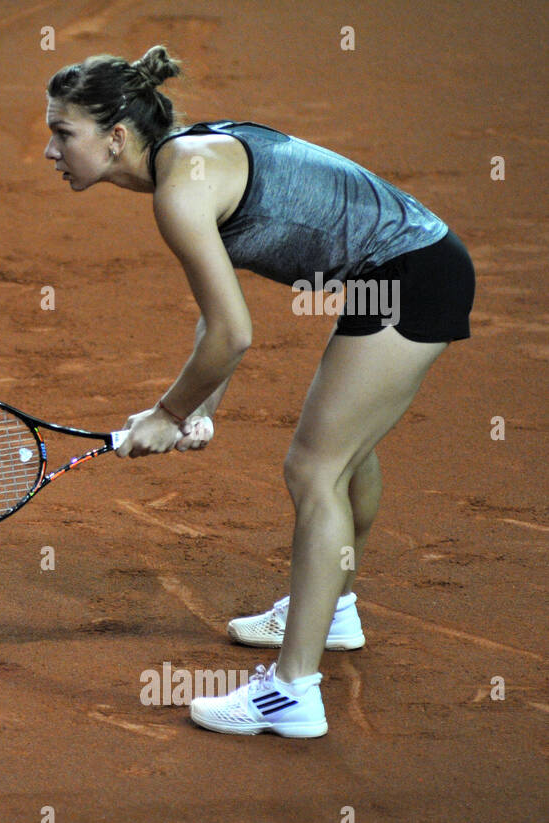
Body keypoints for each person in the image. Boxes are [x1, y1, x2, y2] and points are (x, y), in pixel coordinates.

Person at [43, 46, 475, 737]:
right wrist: (203, 408)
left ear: (115, 137)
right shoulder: (188, 160)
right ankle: (331, 609)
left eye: (63, 133)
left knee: (314, 468)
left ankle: (291, 691)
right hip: (405, 267)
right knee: (348, 451)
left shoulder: (180, 192)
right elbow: (217, 311)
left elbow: (233, 333)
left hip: (412, 279)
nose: (50, 150)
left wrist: (170, 412)